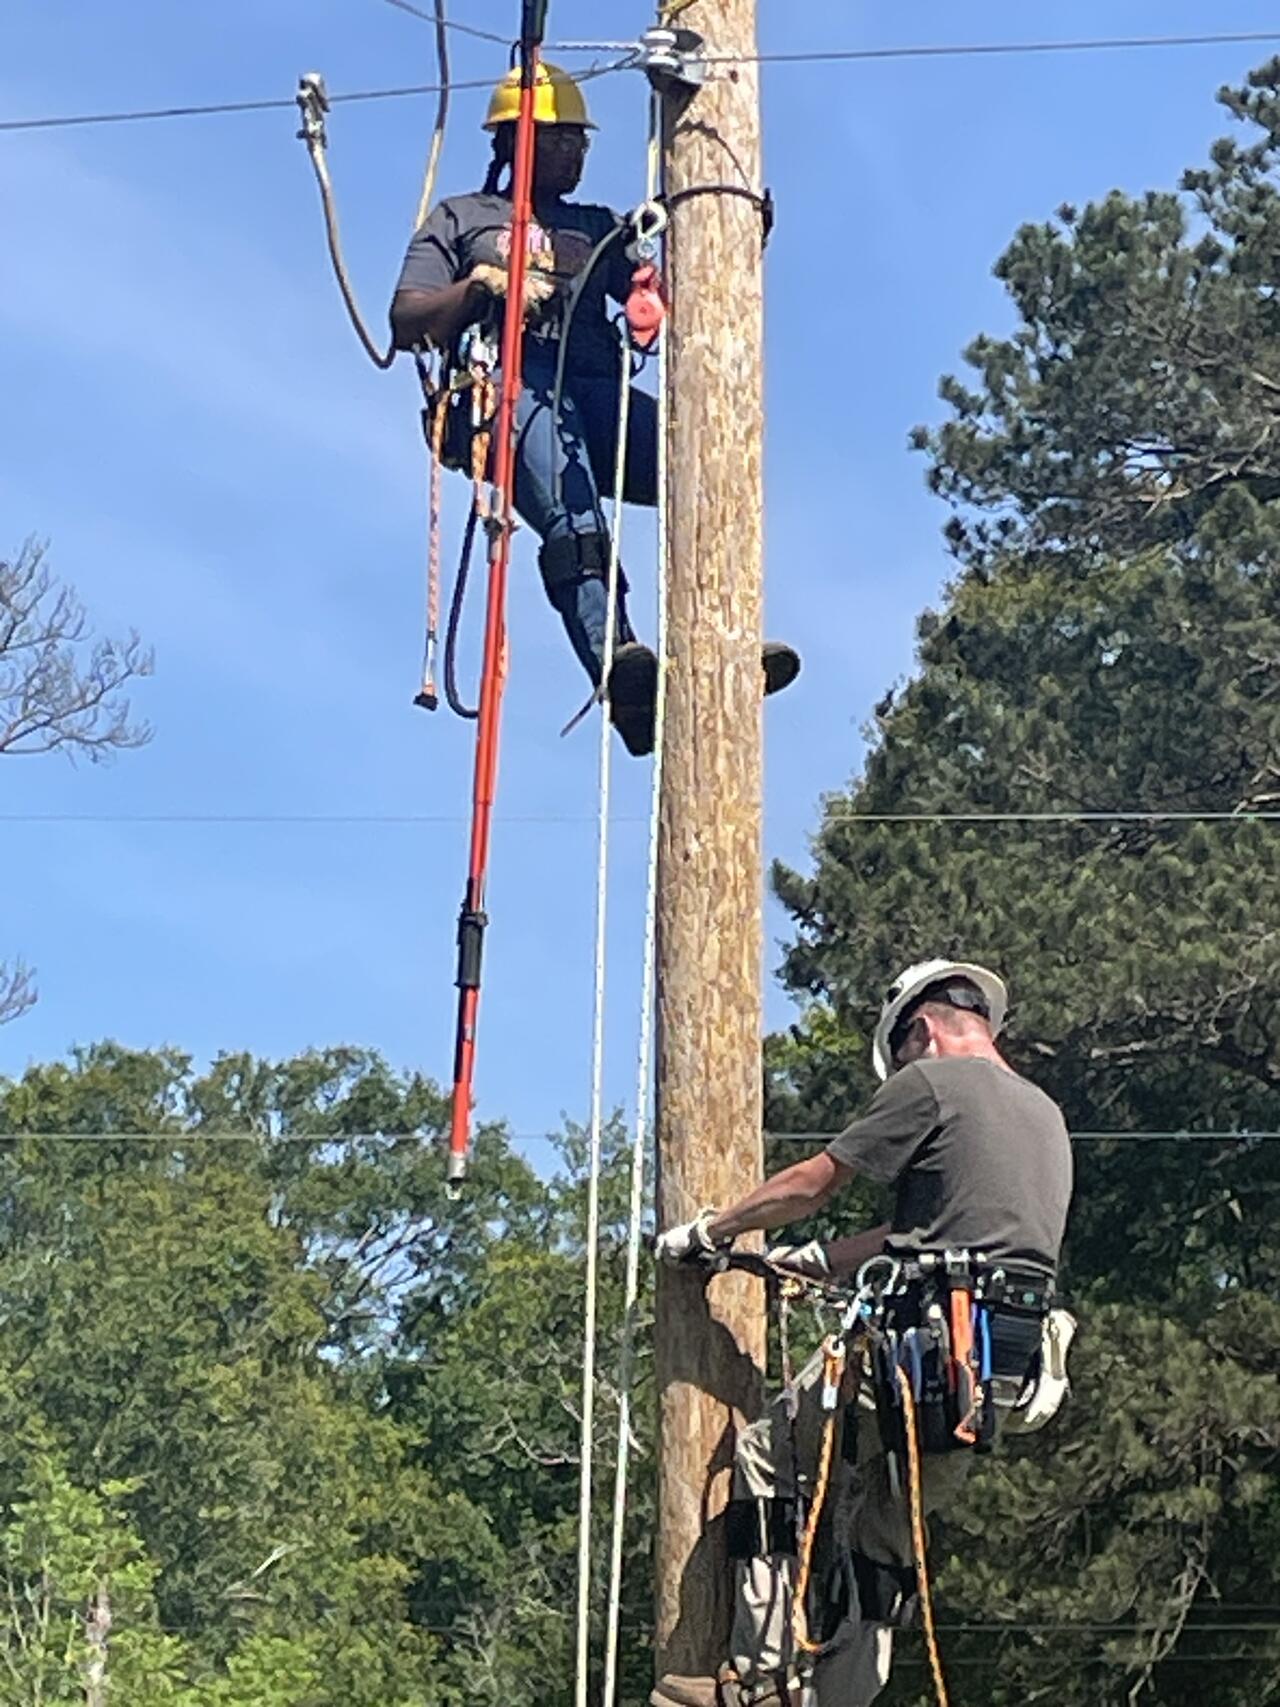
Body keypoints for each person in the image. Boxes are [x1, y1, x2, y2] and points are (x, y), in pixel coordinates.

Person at [653, 959, 1076, 1707]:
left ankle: (765, 1681)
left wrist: (711, 1230)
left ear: (922, 1029)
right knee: (881, 1536)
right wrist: (816, 1259)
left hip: (915, 1359)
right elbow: (930, 1234)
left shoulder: (934, 1083)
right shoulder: (1043, 1113)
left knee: (768, 1456)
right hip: (989, 1381)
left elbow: (817, 1180)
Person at [389, 62, 799, 756]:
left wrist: (728, 235)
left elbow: (671, 277)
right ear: (519, 139)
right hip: (512, 386)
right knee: (575, 515)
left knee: (707, 463)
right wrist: (483, 289)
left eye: (582, 140)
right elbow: (405, 321)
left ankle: (719, 648)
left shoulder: (600, 228)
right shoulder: (462, 220)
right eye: (563, 138)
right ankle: (625, 674)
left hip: (595, 387)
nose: (578, 152)